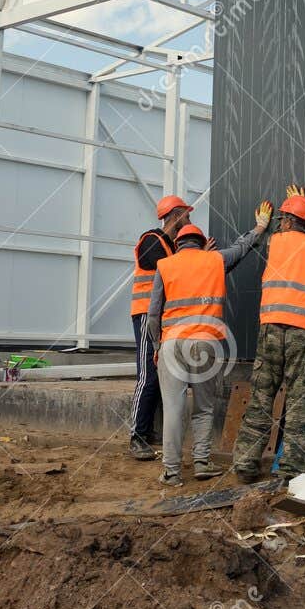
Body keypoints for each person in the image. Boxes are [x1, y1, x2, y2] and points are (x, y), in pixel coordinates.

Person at [146, 201, 273, 486]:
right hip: (205, 344)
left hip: (172, 344)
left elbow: (153, 313)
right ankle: (202, 462)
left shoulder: (165, 265)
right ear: (203, 243)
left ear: (178, 244)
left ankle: (171, 471)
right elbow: (242, 248)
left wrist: (156, 346)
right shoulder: (215, 260)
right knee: (203, 408)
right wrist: (261, 227)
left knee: (173, 409)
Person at [232, 184, 305, 482]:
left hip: (270, 330)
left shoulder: (272, 243)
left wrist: (266, 221)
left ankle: (245, 464)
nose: (280, 222)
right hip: (304, 335)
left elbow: (262, 239)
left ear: (290, 221)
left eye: (283, 217)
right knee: (300, 401)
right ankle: (290, 470)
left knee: (261, 395)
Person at [126, 195, 192, 460]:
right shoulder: (151, 240)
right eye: (186, 215)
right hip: (145, 316)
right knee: (148, 376)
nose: (189, 220)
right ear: (175, 216)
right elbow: (170, 269)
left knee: (158, 373)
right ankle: (137, 436)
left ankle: (146, 431)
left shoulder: (171, 246)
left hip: (160, 318)